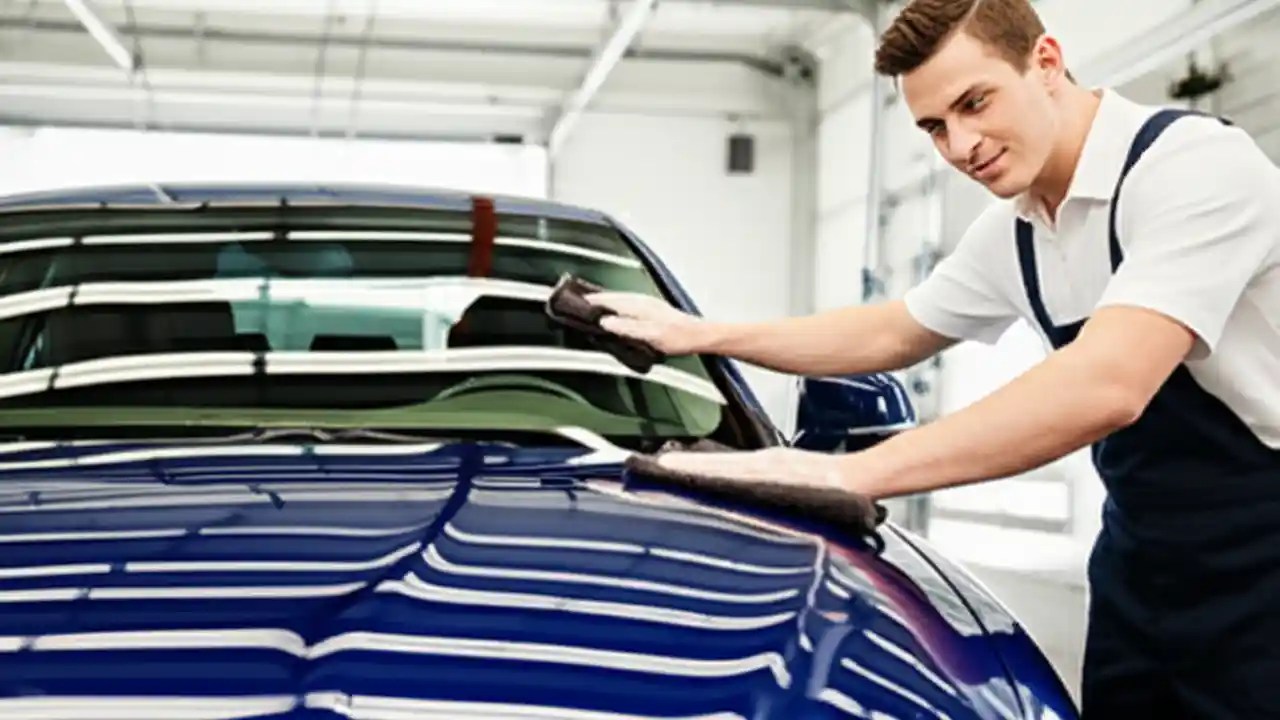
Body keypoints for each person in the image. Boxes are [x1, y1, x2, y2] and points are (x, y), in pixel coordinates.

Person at [585, 0, 1280, 717]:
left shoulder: (1194, 170)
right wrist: (702, 336)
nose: (961, 145)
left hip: (1265, 568)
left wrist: (842, 474)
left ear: (1046, 62)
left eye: (975, 103)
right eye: (935, 127)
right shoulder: (1017, 230)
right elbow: (893, 331)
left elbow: (1109, 383)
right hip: (1141, 566)